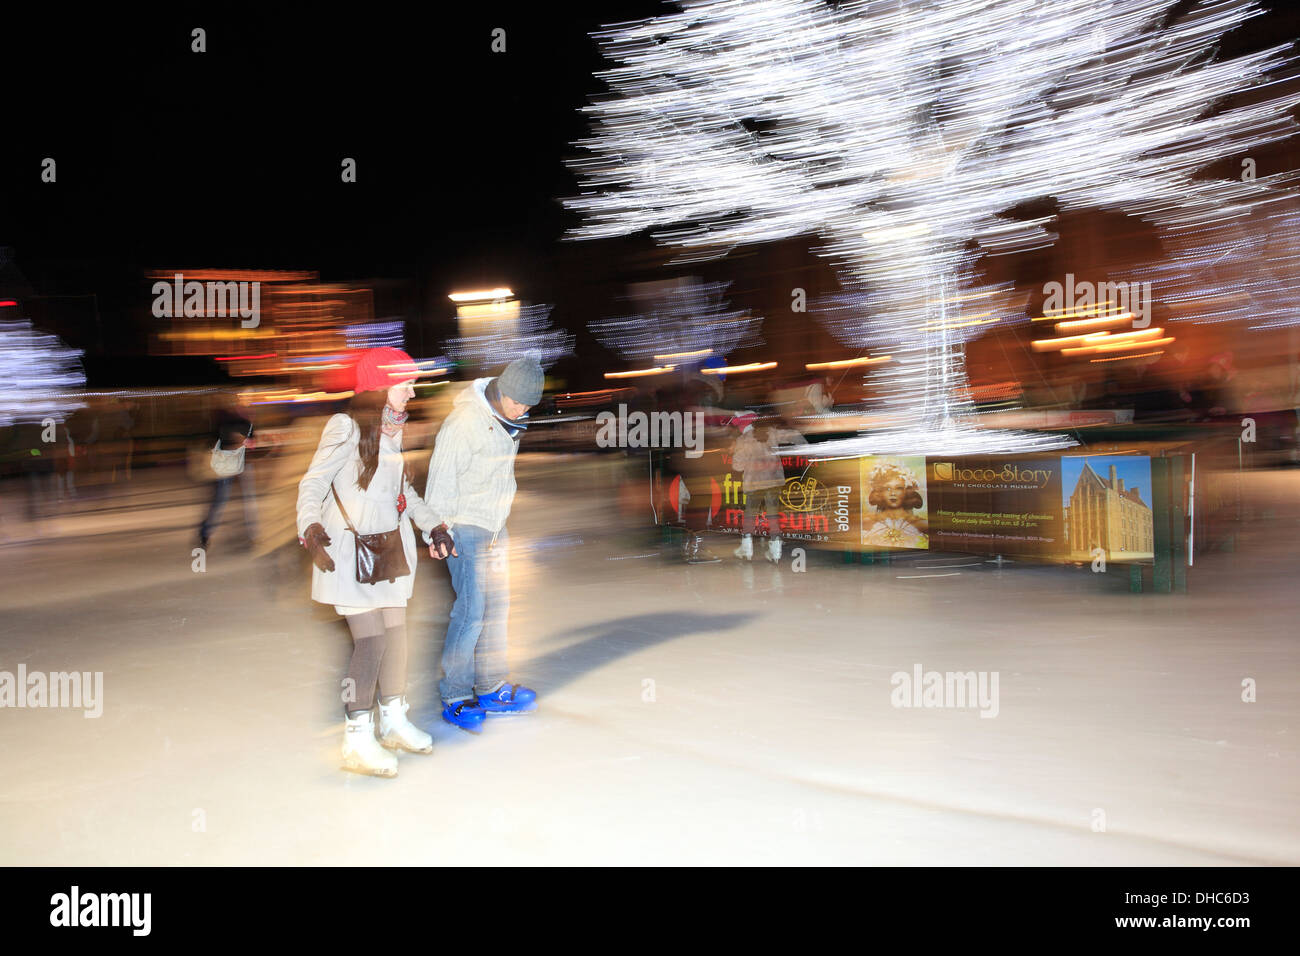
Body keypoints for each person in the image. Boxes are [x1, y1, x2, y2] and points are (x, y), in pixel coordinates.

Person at [296, 347, 444, 778]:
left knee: (396, 636)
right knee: (372, 641)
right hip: (348, 552)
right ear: (382, 384)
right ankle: (357, 738)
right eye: (406, 382)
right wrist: (309, 527)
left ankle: (393, 721)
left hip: (390, 550)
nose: (413, 391)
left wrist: (432, 525)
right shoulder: (344, 426)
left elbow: (405, 492)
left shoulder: (394, 426)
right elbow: (313, 482)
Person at [422, 352, 542, 732]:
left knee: (497, 609)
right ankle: (455, 694)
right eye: (517, 400)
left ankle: (490, 686)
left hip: (494, 527)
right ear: (501, 389)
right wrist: (438, 530)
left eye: (528, 404)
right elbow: (440, 479)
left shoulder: (506, 419)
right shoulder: (464, 422)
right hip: (463, 527)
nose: (521, 409)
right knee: (471, 612)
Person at [729, 412, 804, 563]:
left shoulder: (743, 440)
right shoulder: (772, 433)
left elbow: (737, 466)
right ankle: (775, 552)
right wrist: (806, 447)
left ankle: (747, 549)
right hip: (773, 482)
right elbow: (793, 435)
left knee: (750, 515)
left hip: (754, 483)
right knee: (773, 516)